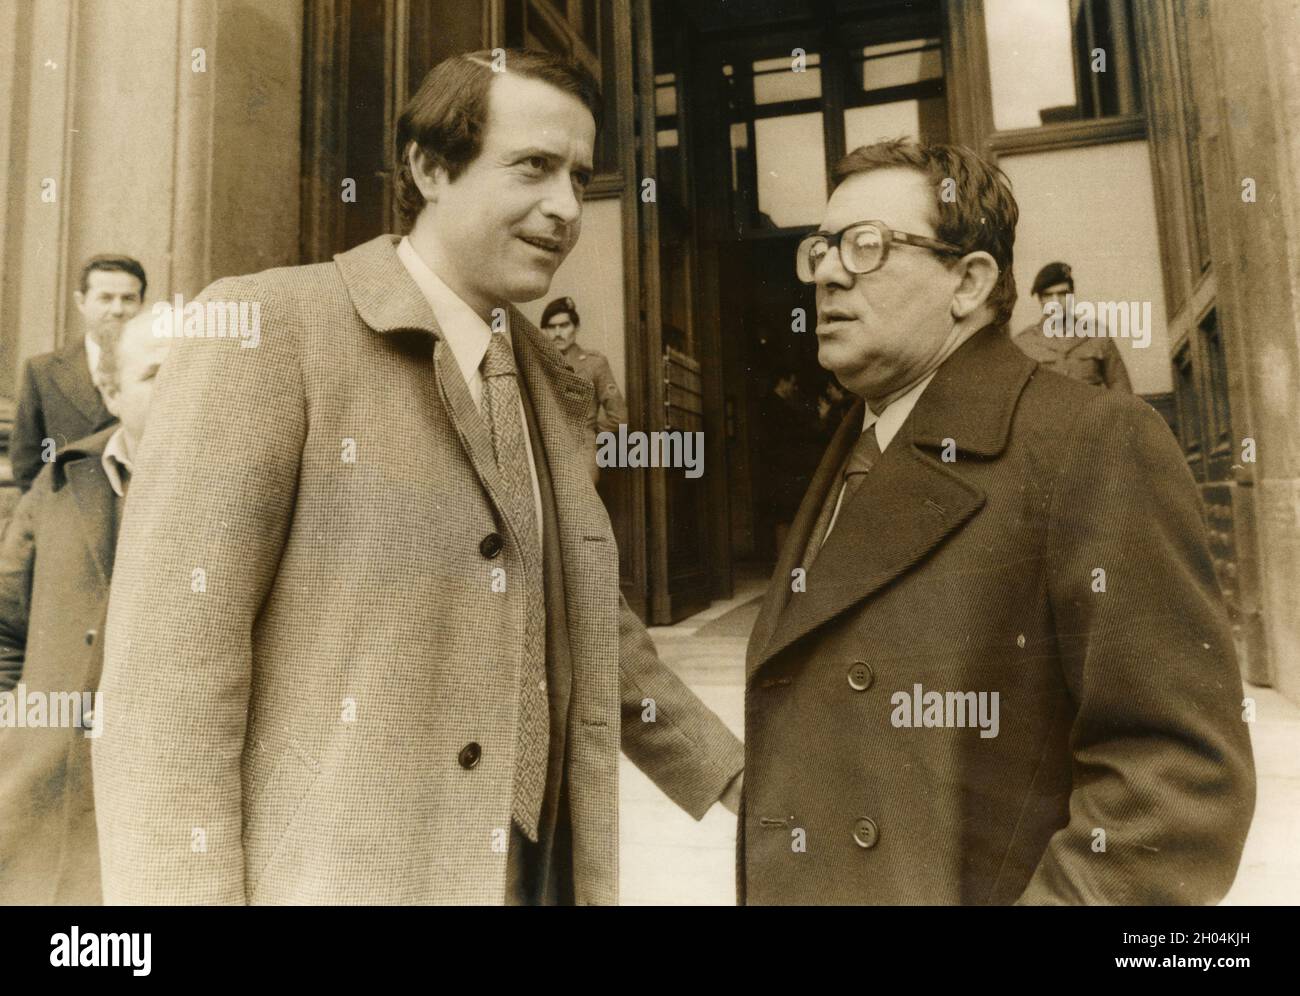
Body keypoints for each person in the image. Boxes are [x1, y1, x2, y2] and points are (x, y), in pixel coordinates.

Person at [93, 49, 742, 906]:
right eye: (534, 166)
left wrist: (733, 775)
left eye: (580, 178)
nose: (565, 206)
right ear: (430, 168)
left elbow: (580, 617)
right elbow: (165, 692)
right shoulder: (268, 328)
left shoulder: (552, 381)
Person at [740, 138, 1253, 905]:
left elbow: (1177, 785)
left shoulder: (1092, 443)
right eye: (821, 248)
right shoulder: (858, 442)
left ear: (969, 281)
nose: (828, 273)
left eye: (867, 245)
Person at [0, 307, 172, 903]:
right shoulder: (61, 480)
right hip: (41, 801)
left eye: (194, 372)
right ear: (111, 391)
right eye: (155, 374)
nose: (180, 389)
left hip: (165, 806)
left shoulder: (250, 490)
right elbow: (6, 626)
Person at [9, 255, 145, 491]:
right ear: (81, 302)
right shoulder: (42, 371)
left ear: (142, 304)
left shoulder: (159, 369)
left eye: (128, 299)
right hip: (68, 504)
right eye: (105, 298)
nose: (117, 309)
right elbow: (27, 463)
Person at [539, 296, 627, 482]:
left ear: (576, 328)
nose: (558, 333)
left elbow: (619, 417)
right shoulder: (538, 365)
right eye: (551, 327)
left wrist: (589, 435)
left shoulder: (594, 363)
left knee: (578, 501)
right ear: (544, 331)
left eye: (564, 325)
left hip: (581, 455)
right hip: (545, 456)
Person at [1011, 261, 1133, 391]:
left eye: (1063, 294)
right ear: (1040, 300)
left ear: (1072, 295)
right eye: (1048, 295)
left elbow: (1122, 390)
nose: (1056, 302)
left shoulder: (1097, 336)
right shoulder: (1024, 343)